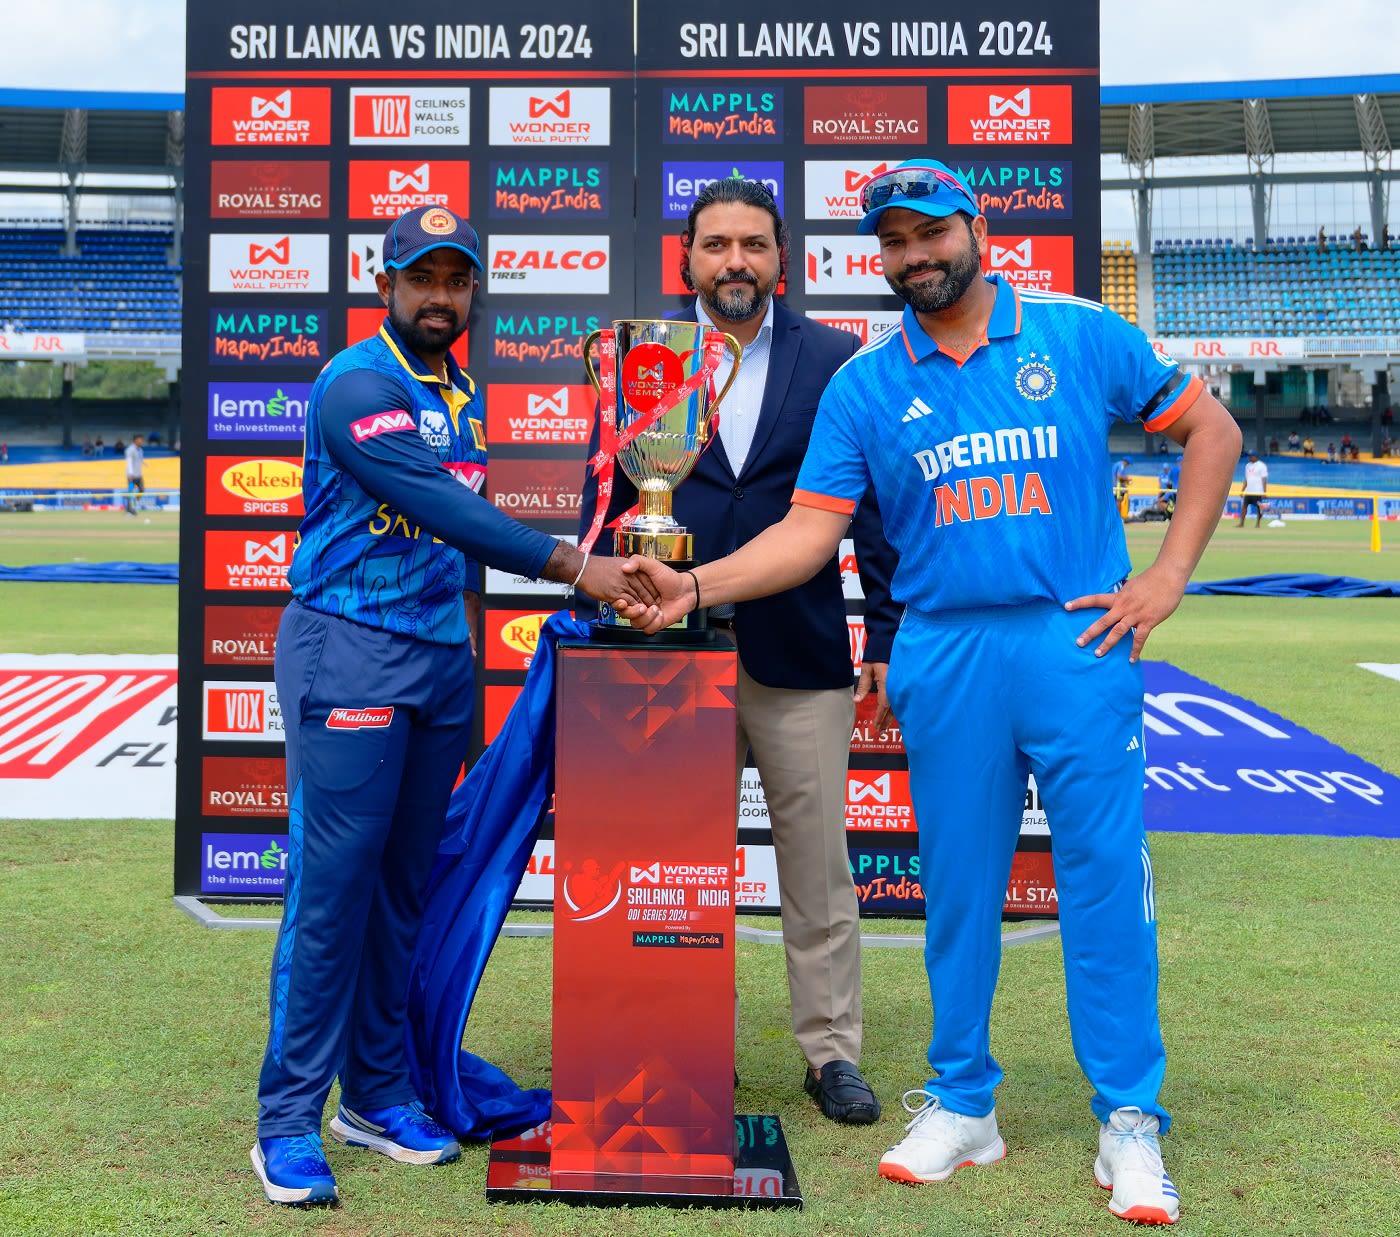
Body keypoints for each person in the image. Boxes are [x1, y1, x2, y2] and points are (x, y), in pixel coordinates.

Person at [618, 158, 1241, 1228]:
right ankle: (962, 1103)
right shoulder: (865, 382)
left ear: (975, 226)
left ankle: (1128, 1119)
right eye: (894, 242)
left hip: (1071, 638)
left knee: (1099, 881)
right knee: (955, 891)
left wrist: (1165, 578)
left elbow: (1210, 431)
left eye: (930, 233)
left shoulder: (1076, 331)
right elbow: (809, 534)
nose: (915, 255)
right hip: (943, 651)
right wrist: (692, 585)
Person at [251, 205, 646, 1208]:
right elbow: (440, 507)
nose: (438, 297)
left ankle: (376, 1092)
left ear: (473, 291)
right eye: (419, 279)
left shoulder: (456, 389)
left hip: (434, 663)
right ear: (384, 286)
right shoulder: (360, 382)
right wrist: (575, 566)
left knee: (402, 893)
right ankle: (288, 1118)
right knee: (331, 895)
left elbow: (448, 531)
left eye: (455, 280)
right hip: (347, 650)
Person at [577, 177, 899, 1125]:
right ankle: (668, 1032)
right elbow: (607, 491)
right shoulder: (641, 360)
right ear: (687, 258)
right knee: (675, 859)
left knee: (818, 867)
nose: (735, 262)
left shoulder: (840, 362)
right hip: (666, 659)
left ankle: (830, 1051)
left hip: (800, 652)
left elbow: (873, 512)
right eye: (716, 244)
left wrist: (882, 629)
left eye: (753, 245)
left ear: (782, 259)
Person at [1239, 452, 1268, 526]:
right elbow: (1246, 479)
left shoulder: (1261, 465)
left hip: (1258, 491)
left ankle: (1258, 523)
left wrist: (1264, 492)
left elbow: (1264, 479)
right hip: (1249, 491)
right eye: (1249, 456)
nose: (1249, 458)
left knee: (1259, 508)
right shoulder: (1247, 465)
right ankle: (1241, 523)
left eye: (1251, 456)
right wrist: (1242, 491)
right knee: (1244, 506)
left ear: (1256, 457)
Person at [123, 434, 144, 513]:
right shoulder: (130, 450)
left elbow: (140, 459)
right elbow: (129, 462)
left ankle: (134, 502)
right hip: (131, 476)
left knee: (142, 490)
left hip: (139, 475)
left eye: (142, 440)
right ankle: (129, 509)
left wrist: (144, 463)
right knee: (130, 491)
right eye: (140, 440)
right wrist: (131, 473)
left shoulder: (141, 450)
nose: (141, 441)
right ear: (135, 440)